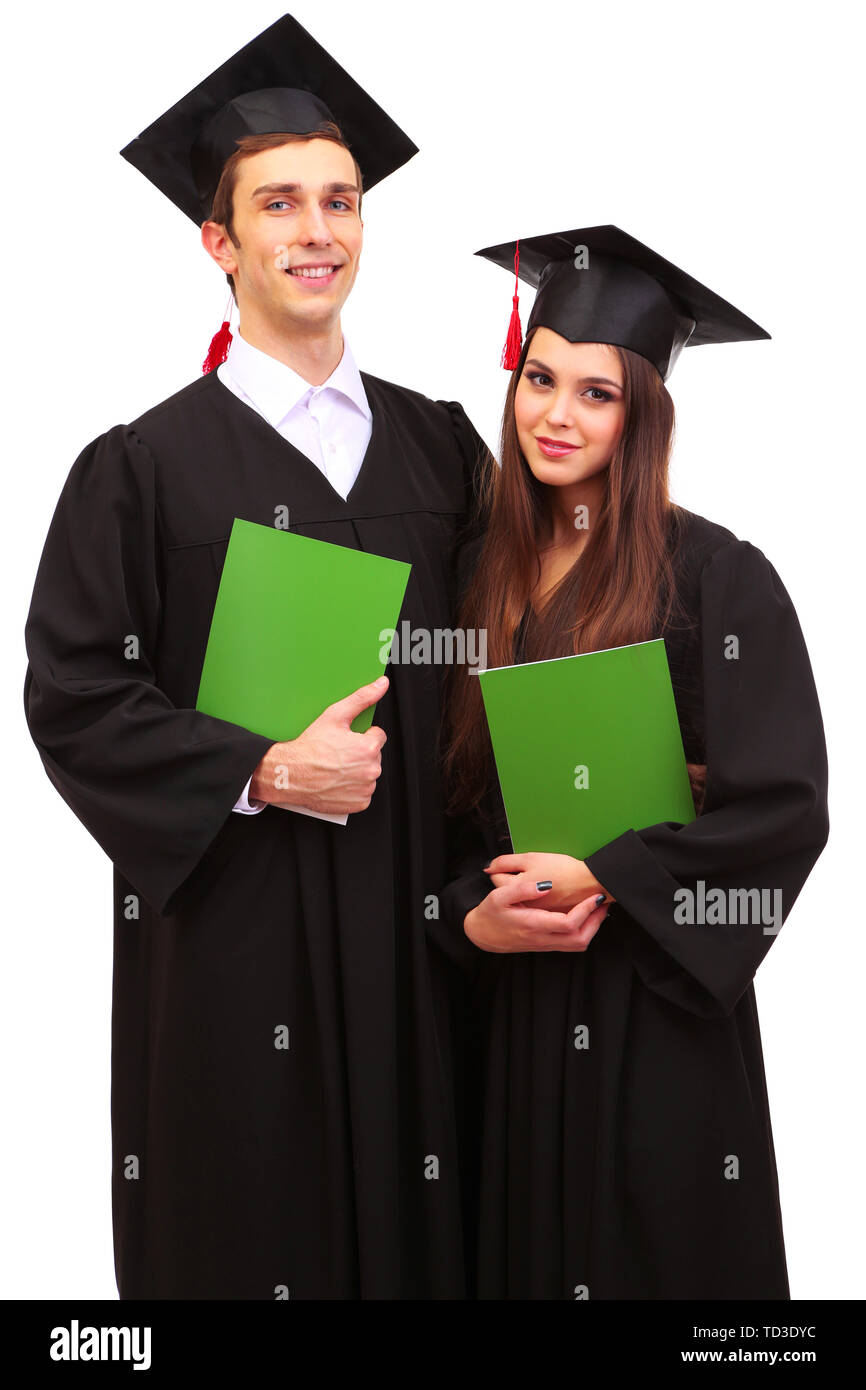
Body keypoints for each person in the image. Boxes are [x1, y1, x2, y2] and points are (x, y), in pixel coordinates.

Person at [23, 15, 488, 1299]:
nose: (318, 229)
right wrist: (264, 771)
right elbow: (73, 693)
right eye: (278, 202)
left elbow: (506, 660)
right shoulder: (142, 466)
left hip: (419, 938)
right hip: (237, 947)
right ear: (219, 241)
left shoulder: (440, 449)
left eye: (339, 200)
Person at [438, 224, 830, 1299]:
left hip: (650, 1013)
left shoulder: (715, 576)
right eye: (538, 378)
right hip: (512, 1014)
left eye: (596, 393)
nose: (554, 415)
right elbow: (450, 811)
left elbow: (783, 807)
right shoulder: (471, 574)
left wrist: (608, 872)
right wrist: (472, 907)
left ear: (643, 412)